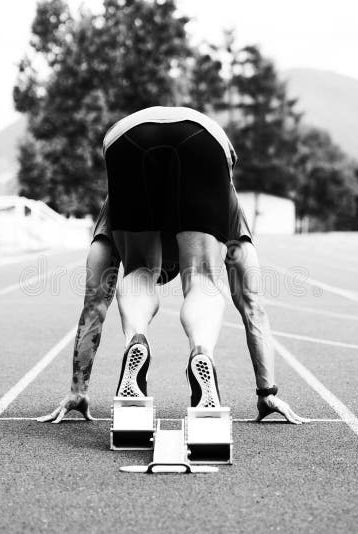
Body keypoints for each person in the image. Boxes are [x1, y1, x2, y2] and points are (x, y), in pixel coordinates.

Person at [40, 107, 303, 424]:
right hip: (204, 139)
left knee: (139, 271)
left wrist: (78, 388)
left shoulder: (113, 206)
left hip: (127, 139)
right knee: (202, 277)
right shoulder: (227, 200)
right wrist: (267, 391)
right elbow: (252, 304)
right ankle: (202, 350)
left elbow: (95, 299)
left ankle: (136, 338)